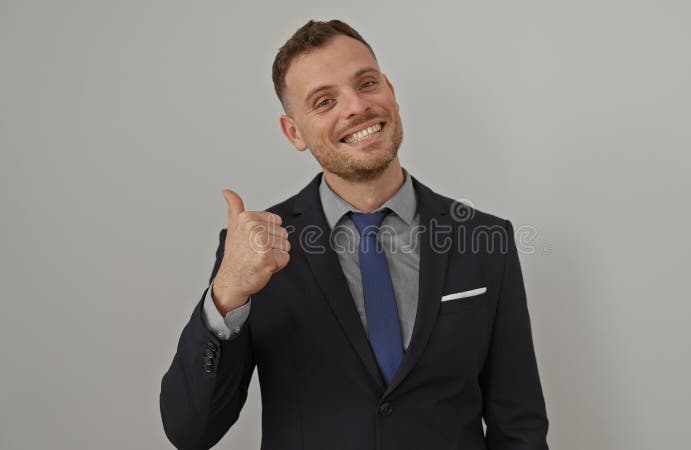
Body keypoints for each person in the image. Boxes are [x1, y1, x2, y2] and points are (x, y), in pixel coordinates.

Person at [159, 19, 549, 450]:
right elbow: (190, 431)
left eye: (366, 83)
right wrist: (227, 294)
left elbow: (520, 427)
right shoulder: (254, 252)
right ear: (294, 133)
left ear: (391, 93)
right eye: (324, 101)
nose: (355, 107)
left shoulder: (486, 240)